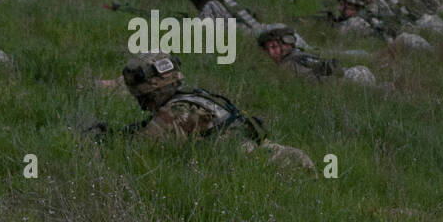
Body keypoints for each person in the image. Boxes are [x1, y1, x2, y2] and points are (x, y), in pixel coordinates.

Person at [108, 53, 314, 170]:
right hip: (288, 157)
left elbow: (137, 152)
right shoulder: (198, 97)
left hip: (272, 169)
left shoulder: (176, 112)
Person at [183, 0, 311, 50]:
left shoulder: (210, 6)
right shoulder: (227, 0)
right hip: (263, 29)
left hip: (250, 37)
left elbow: (200, 32)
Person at [258, 24, 376, 85]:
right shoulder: (291, 60)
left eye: (274, 47)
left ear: (288, 43)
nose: (271, 52)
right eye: (268, 49)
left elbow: (312, 80)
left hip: (348, 77)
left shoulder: (291, 62)